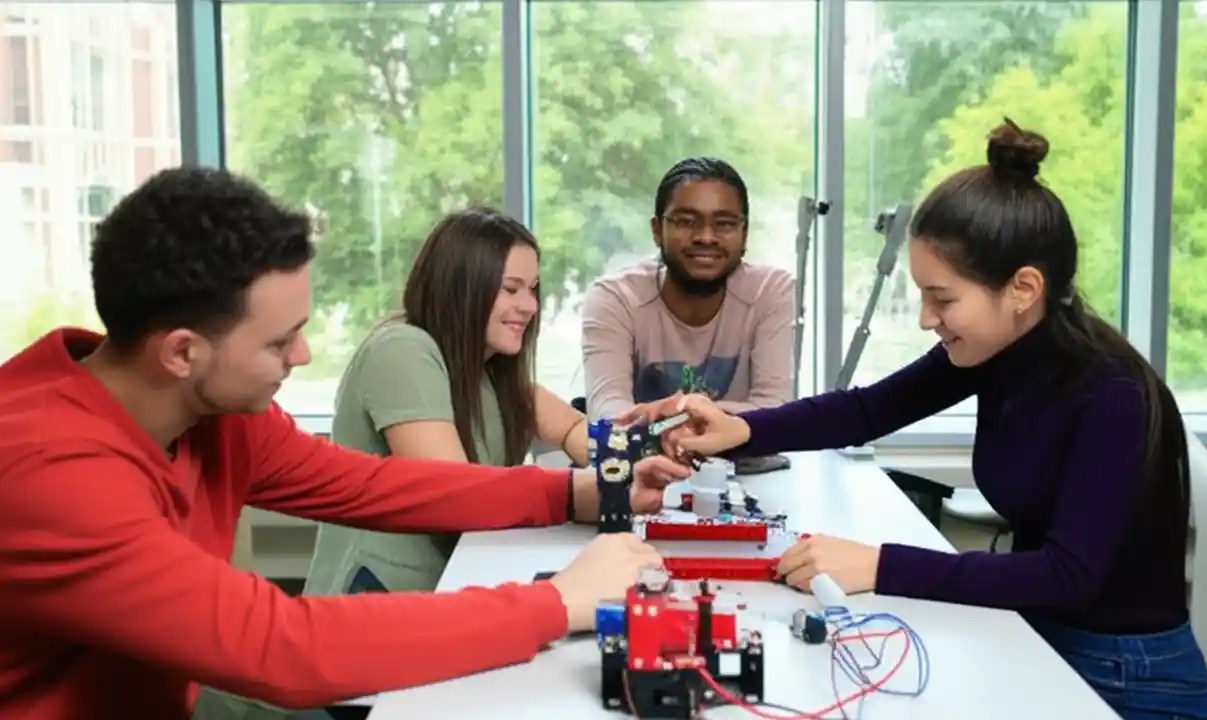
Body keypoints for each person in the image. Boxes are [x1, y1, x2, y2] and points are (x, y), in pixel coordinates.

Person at [0, 167, 688, 720]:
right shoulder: (48, 471)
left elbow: (370, 484)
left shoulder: (219, 413)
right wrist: (556, 602)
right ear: (181, 352)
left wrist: (571, 493)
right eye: (278, 340)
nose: (302, 354)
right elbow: (280, 647)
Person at [643, 121, 1207, 720]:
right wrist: (745, 431)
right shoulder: (1000, 349)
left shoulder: (1110, 394)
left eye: (941, 299)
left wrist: (879, 564)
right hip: (1041, 640)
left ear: (1023, 288)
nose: (926, 318)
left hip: (1124, 678)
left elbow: (1069, 576)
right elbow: (868, 409)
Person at [304, 207, 592, 599]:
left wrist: (622, 462)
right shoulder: (403, 350)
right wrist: (582, 494)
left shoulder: (489, 373)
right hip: (376, 602)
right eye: (511, 289)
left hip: (443, 592)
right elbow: (455, 496)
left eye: (533, 288)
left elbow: (574, 428)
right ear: (463, 287)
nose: (530, 306)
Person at [580, 156, 795, 421]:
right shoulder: (615, 299)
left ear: (745, 233)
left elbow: (777, 410)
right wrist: (708, 419)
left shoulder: (769, 291)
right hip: (645, 460)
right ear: (657, 230)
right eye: (686, 221)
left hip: (742, 460)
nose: (705, 237)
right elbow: (608, 411)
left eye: (725, 224)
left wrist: (674, 416)